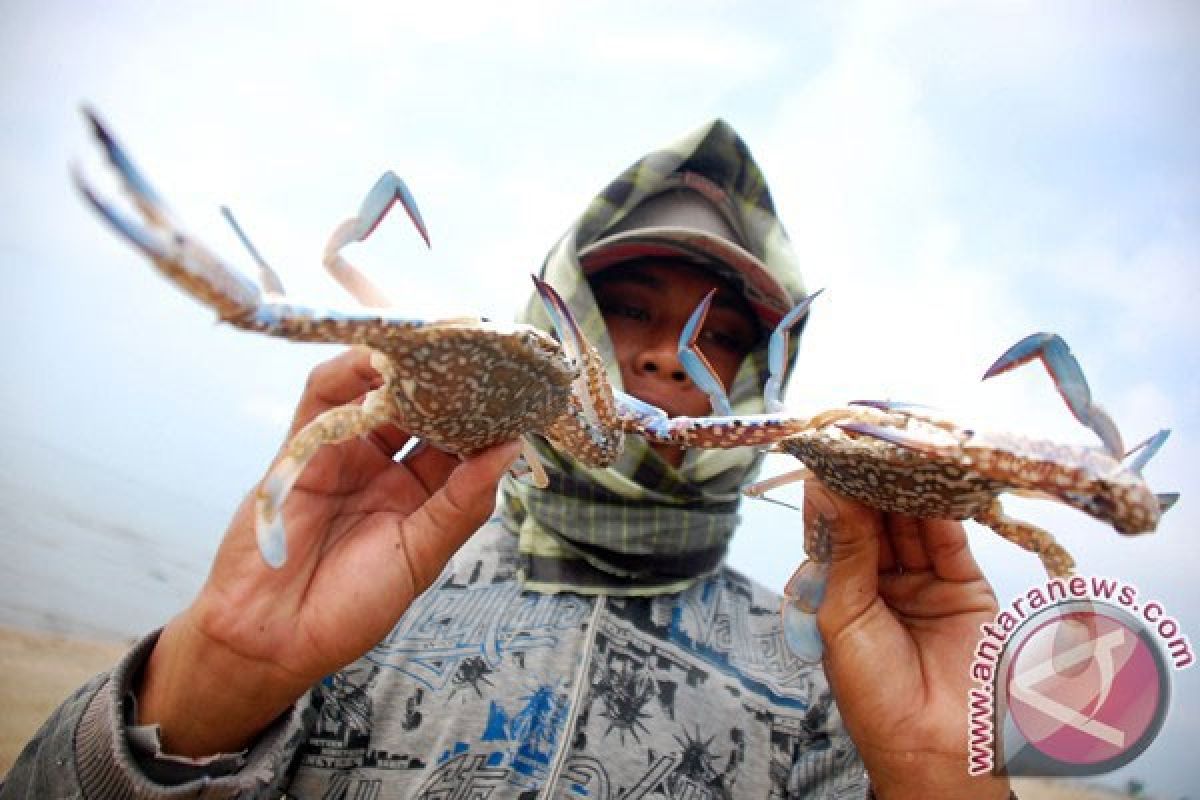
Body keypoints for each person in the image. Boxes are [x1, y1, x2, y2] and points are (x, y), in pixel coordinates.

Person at [2, 120, 1012, 799]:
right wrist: (218, 670)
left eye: (716, 331)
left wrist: (943, 772)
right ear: (557, 307)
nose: (665, 349)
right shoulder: (354, 575)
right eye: (625, 306)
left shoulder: (836, 665)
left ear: (763, 370)